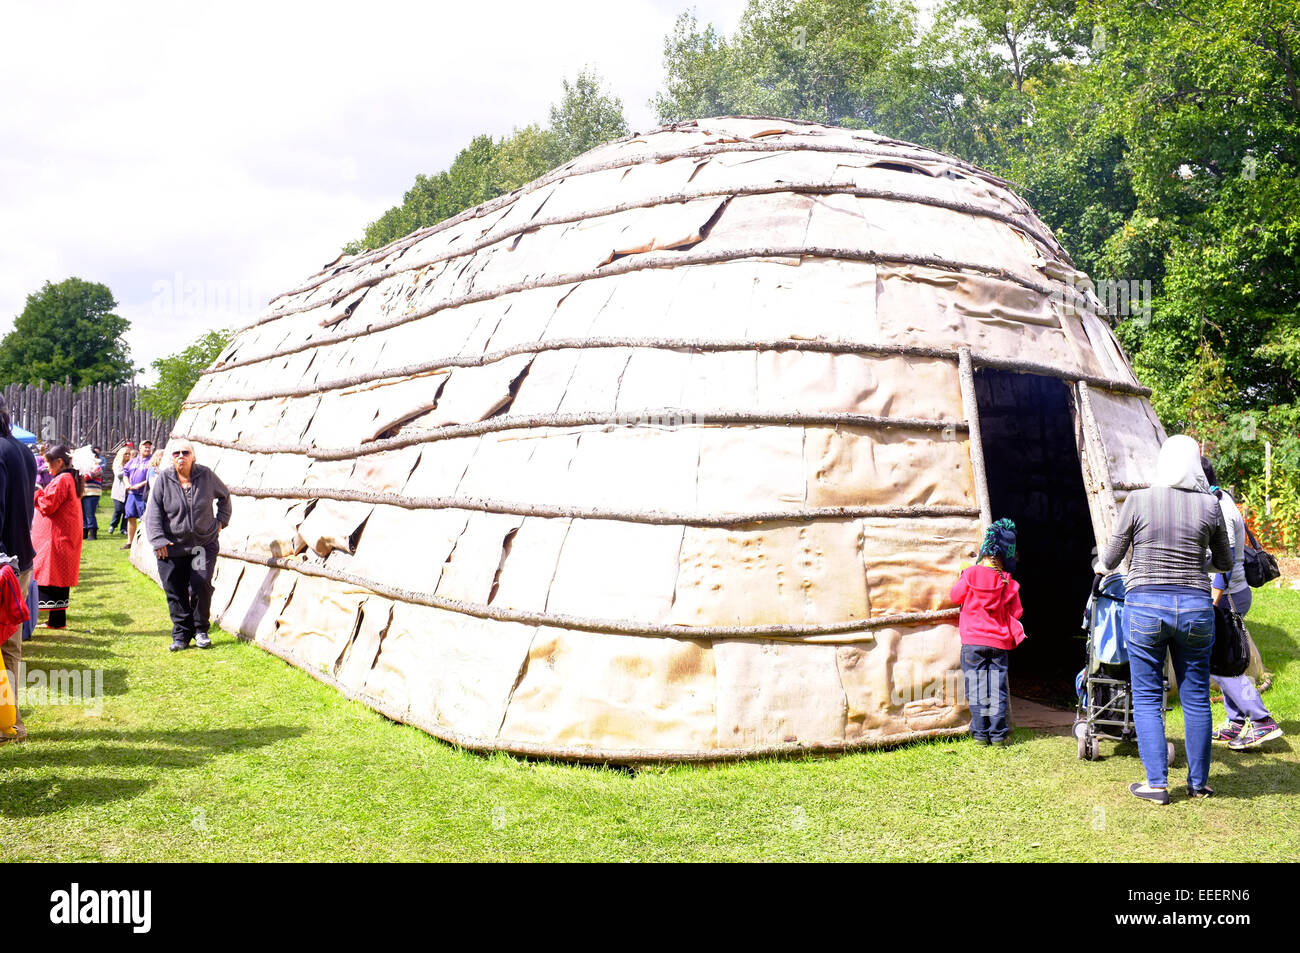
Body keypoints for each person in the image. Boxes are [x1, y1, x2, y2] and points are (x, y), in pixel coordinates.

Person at [1098, 435, 1232, 804]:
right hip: (1195, 609)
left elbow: (1111, 558)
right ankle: (1199, 783)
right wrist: (1194, 561)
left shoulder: (1139, 500)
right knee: (1196, 699)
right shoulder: (1210, 505)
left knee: (1146, 697)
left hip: (1144, 609)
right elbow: (1225, 563)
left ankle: (1156, 784)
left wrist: (1101, 566)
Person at [1201, 457, 1284, 751]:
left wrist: (1213, 601)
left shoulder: (1220, 507)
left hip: (1228, 597)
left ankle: (1262, 722)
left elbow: (1225, 562)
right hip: (1230, 594)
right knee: (1221, 661)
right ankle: (1235, 723)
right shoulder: (1221, 498)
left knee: (1227, 668)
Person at [145, 439, 231, 651]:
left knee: (201, 584)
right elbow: (153, 511)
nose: (181, 456)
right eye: (176, 453)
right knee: (175, 589)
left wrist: (221, 521)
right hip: (171, 546)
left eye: (185, 452)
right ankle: (181, 635)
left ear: (193, 456)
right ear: (171, 458)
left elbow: (225, 497)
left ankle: (200, 629)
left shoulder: (206, 476)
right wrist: (158, 540)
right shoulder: (164, 479)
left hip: (202, 544)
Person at [950, 518, 1024, 747]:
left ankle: (981, 735)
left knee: (976, 686)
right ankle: (998, 735)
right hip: (999, 643)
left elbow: (955, 597)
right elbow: (1018, 612)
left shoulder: (970, 574)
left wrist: (962, 577)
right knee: (996, 688)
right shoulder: (1008, 582)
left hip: (973, 643)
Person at [0, 396, 37, 743]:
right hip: (19, 562)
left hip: (3, 565)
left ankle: (7, 724)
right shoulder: (22, 451)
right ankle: (10, 724)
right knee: (9, 646)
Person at [32, 445, 84, 630]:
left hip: (56, 538)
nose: (46, 467)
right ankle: (56, 621)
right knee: (58, 577)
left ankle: (46, 620)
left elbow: (48, 505)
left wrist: (36, 493)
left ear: (59, 462)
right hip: (61, 536)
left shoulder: (63, 479)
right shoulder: (69, 478)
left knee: (51, 575)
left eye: (48, 463)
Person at [121, 439, 153, 550]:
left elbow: (152, 477)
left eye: (149, 447)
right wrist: (127, 484)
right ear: (140, 448)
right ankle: (130, 542)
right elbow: (125, 473)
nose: (147, 448)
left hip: (144, 494)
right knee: (130, 517)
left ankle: (146, 543)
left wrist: (139, 485)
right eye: (145, 446)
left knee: (146, 518)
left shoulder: (152, 461)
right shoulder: (133, 461)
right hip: (132, 494)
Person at [108, 442, 135, 535]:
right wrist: (127, 469)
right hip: (118, 491)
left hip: (128, 491)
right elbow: (119, 475)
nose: (127, 455)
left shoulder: (132, 464)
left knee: (126, 511)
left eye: (129, 454)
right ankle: (113, 525)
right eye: (125, 454)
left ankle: (123, 528)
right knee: (118, 509)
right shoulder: (117, 464)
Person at [81, 445, 104, 540]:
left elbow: (86, 477)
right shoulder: (84, 467)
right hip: (83, 493)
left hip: (92, 493)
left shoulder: (97, 467)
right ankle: (84, 532)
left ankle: (93, 533)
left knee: (90, 513)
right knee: (83, 514)